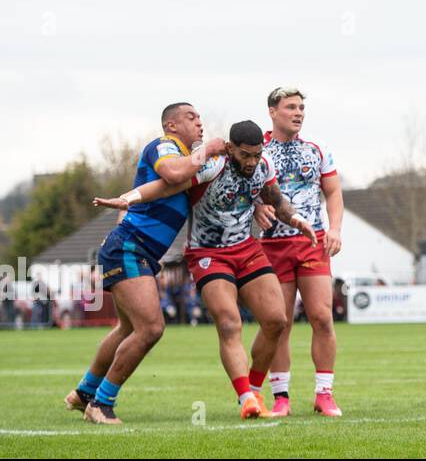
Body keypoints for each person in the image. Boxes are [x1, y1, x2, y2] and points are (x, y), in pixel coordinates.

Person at [94, 120, 317, 419]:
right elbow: (165, 186)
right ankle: (246, 399)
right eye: (245, 155)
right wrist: (128, 199)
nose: (251, 162)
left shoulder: (263, 166)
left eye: (256, 154)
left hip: (247, 250)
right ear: (231, 148)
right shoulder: (213, 165)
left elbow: (275, 199)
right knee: (229, 323)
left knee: (277, 320)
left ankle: (253, 390)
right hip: (208, 253)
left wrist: (297, 220)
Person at [67, 102, 225, 424]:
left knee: (127, 328)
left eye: (200, 119)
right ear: (171, 125)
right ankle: (100, 404)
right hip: (130, 247)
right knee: (151, 328)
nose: (200, 123)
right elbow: (172, 172)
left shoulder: (190, 164)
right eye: (191, 118)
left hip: (134, 250)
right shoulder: (164, 147)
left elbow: (144, 193)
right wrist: (208, 149)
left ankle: (84, 392)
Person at [252, 86, 345, 418]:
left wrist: (334, 229)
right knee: (281, 322)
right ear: (273, 111)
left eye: (302, 107)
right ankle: (281, 396)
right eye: (291, 107)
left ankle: (324, 394)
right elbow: (241, 194)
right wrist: (255, 211)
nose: (298, 113)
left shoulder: (316, 151)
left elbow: (333, 193)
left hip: (312, 242)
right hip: (272, 246)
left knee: (322, 316)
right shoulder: (256, 152)